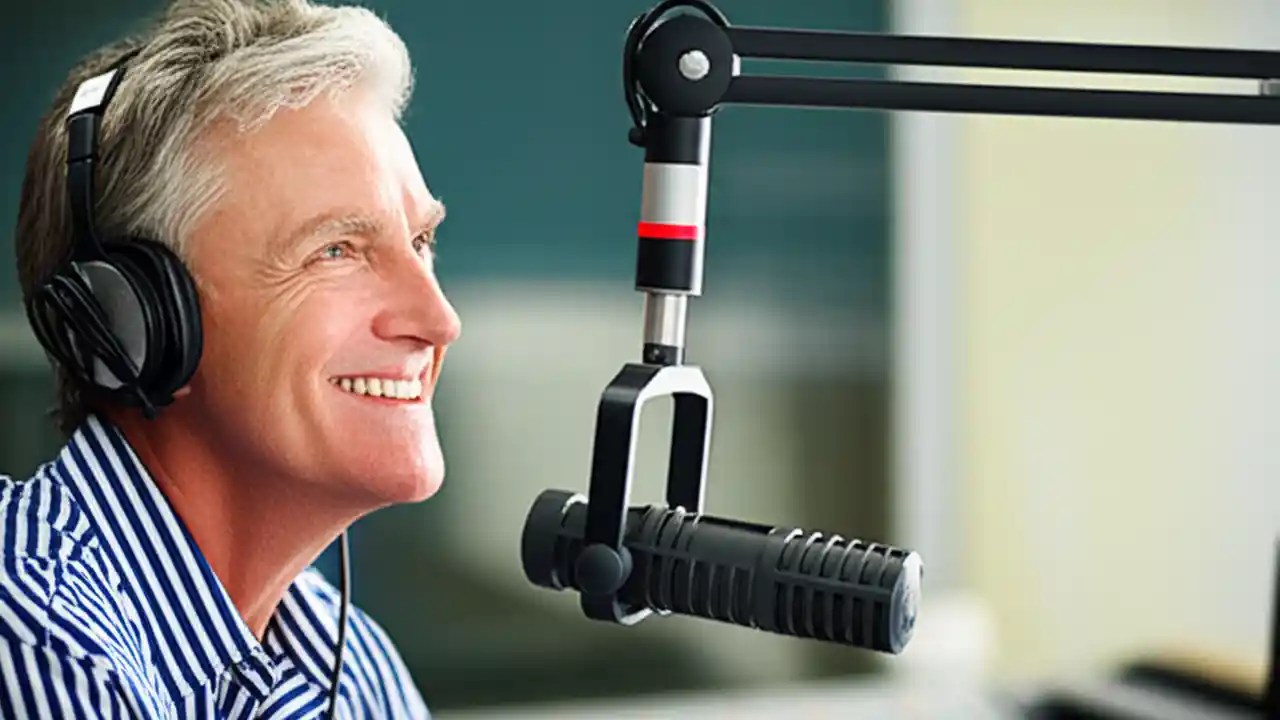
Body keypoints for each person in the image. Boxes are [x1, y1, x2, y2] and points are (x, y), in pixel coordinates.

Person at [1, 0, 461, 716]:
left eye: (421, 243)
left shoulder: (353, 670)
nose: (439, 321)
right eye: (335, 250)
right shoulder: (36, 636)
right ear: (133, 326)